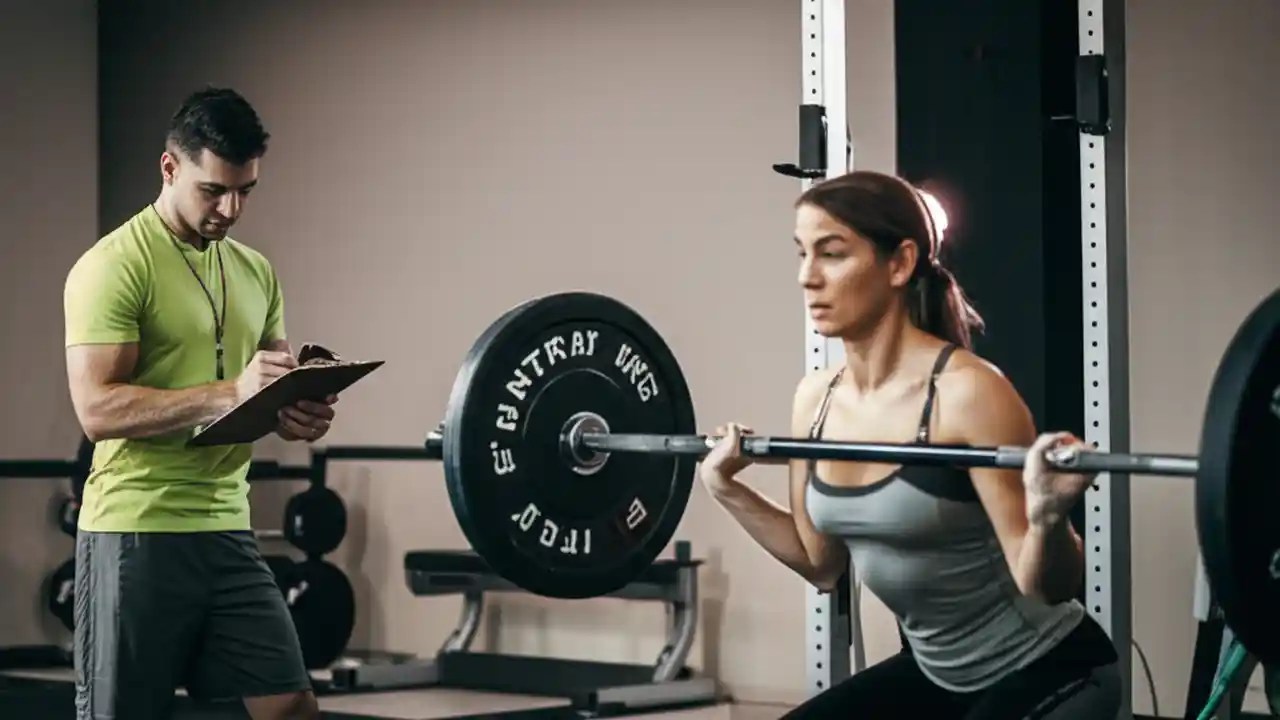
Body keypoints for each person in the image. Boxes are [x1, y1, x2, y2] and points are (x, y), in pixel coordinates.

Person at [700, 170, 1121, 718]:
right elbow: (820, 564)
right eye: (802, 254)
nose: (808, 277)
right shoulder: (815, 400)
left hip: (1049, 668)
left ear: (898, 263)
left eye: (832, 254)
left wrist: (1046, 516)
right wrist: (724, 486)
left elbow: (1051, 587)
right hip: (935, 676)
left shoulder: (968, 391)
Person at [63, 87, 332, 720]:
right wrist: (228, 392)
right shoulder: (113, 266)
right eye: (214, 190)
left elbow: (269, 386)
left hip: (226, 530)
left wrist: (298, 413)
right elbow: (97, 410)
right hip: (136, 530)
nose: (231, 209)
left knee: (291, 706)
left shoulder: (256, 272)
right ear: (170, 168)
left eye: (245, 191)